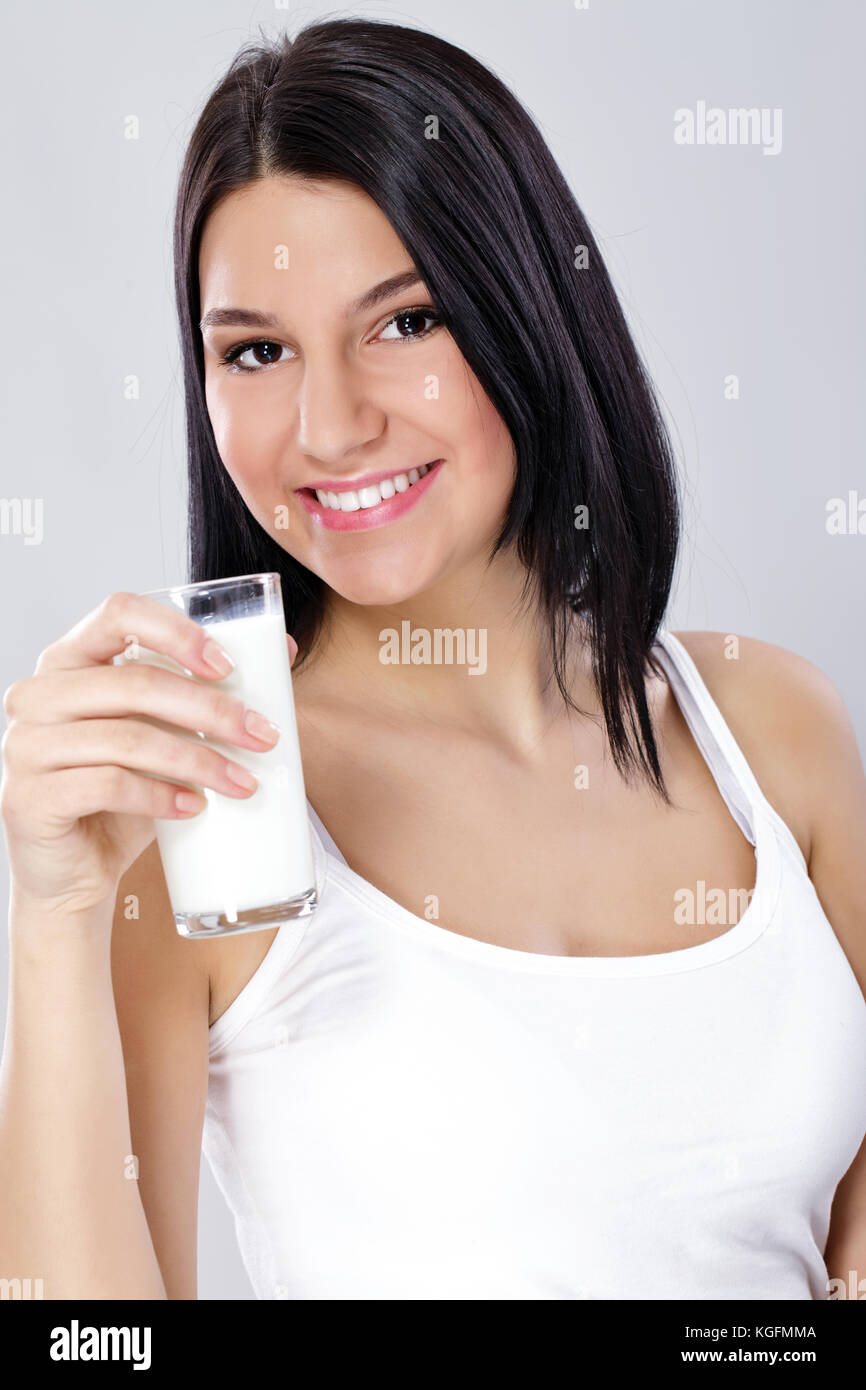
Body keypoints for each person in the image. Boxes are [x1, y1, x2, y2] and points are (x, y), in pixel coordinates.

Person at [1, 18, 865, 1301]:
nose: (330, 424)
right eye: (255, 350)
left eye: (403, 323)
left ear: (527, 309)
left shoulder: (769, 730)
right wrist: (58, 914)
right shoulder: (199, 811)